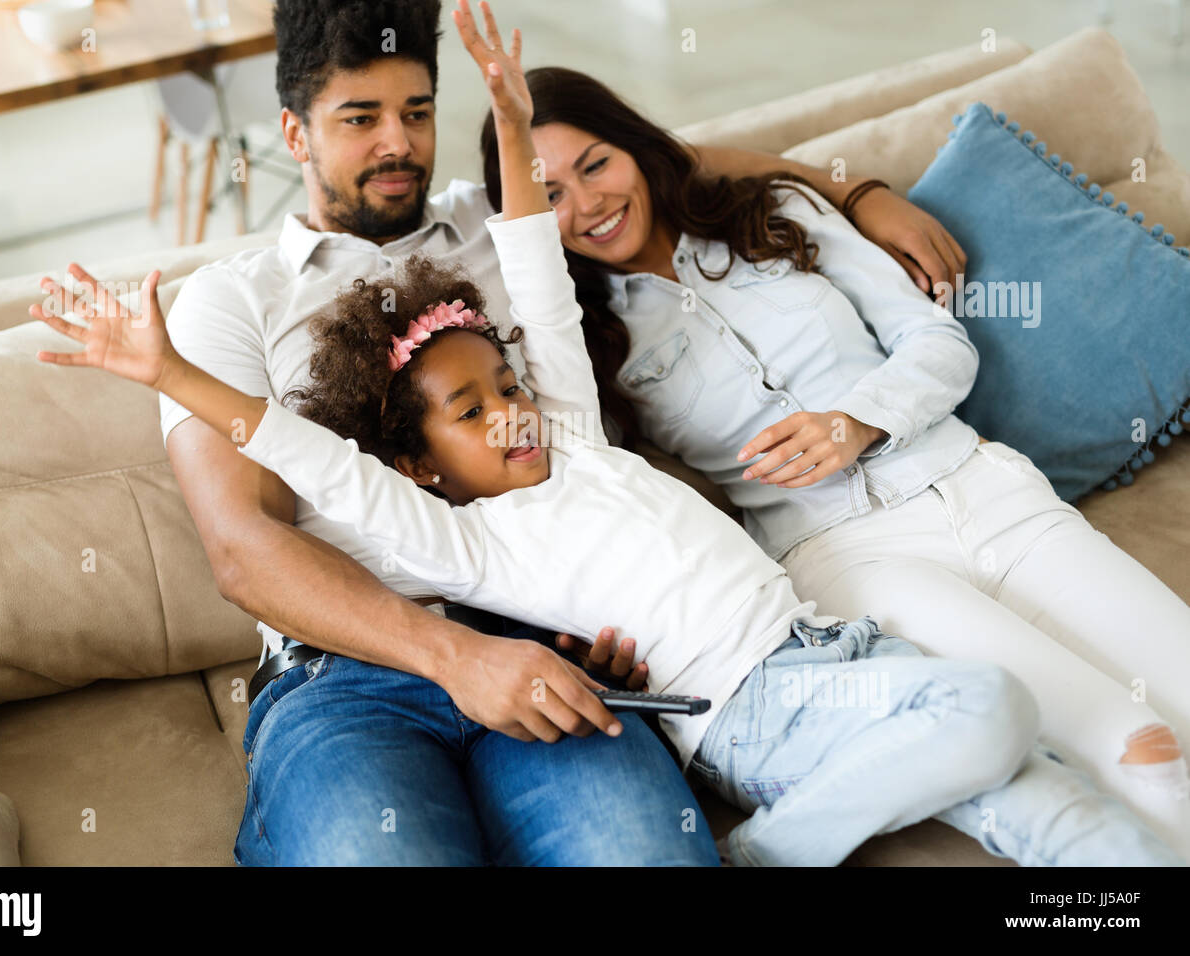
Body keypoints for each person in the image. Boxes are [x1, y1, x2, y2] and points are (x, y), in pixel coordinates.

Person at [25, 1, 1184, 868]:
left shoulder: (502, 231)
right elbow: (247, 540)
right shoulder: (229, 299)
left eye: (418, 111)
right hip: (361, 663)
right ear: (291, 130)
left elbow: (657, 162)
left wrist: (849, 189)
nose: (397, 142)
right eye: (358, 118)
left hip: (581, 648)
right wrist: (458, 655)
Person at [479, 54, 1190, 856]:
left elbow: (936, 340)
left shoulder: (774, 210)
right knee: (1142, 750)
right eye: (550, 196)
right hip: (852, 561)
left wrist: (859, 419)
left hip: (984, 488)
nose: (589, 204)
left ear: (636, 146)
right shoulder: (585, 344)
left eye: (596, 164)